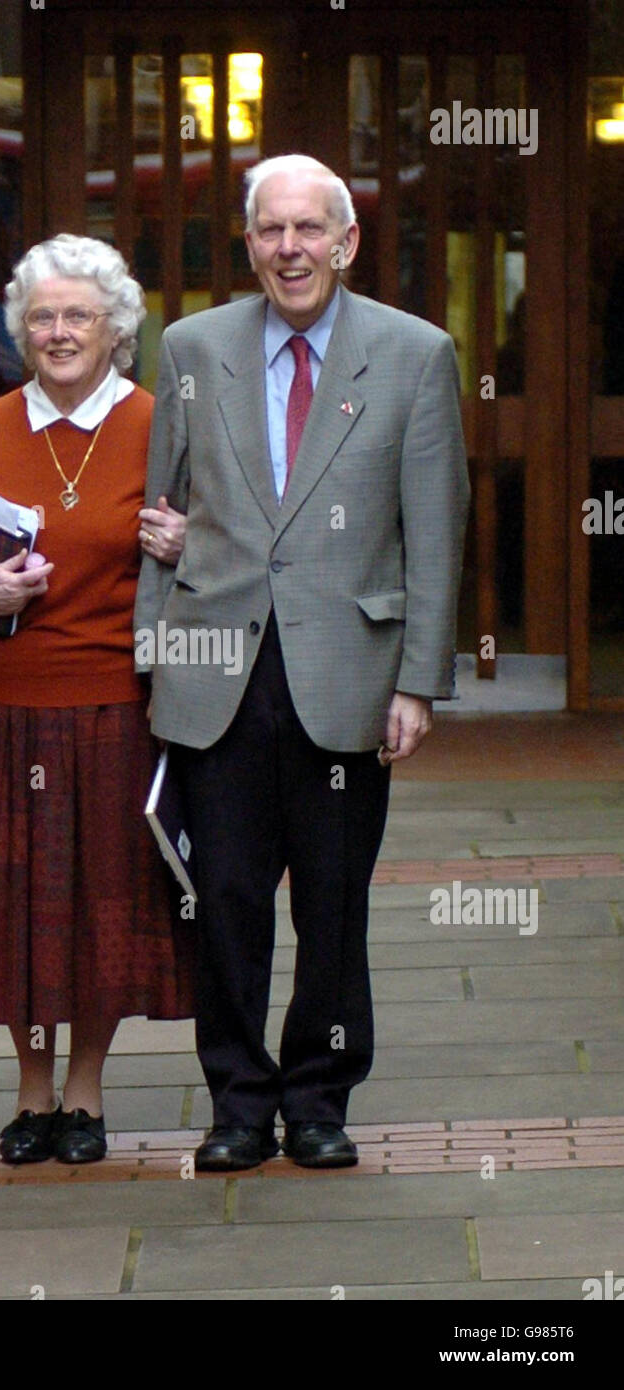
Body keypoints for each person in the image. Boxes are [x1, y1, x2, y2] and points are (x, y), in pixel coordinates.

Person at [135, 155, 470, 1171]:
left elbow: (435, 533)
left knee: (333, 904)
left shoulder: (415, 354)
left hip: (349, 676)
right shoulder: (191, 348)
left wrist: (418, 680)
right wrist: (153, 655)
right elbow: (162, 514)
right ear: (249, 245)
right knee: (225, 901)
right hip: (215, 671)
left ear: (347, 241)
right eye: (271, 231)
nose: (291, 249)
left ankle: (319, 1099)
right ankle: (238, 1103)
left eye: (310, 229)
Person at [0, 233, 190, 1166]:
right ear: (21, 330)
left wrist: (193, 544)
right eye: (43, 316)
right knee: (17, 901)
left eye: (79, 316)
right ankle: (30, 1094)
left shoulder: (159, 426)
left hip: (115, 708)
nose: (60, 332)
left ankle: (86, 1094)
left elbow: (231, 547)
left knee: (103, 903)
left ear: (116, 330)